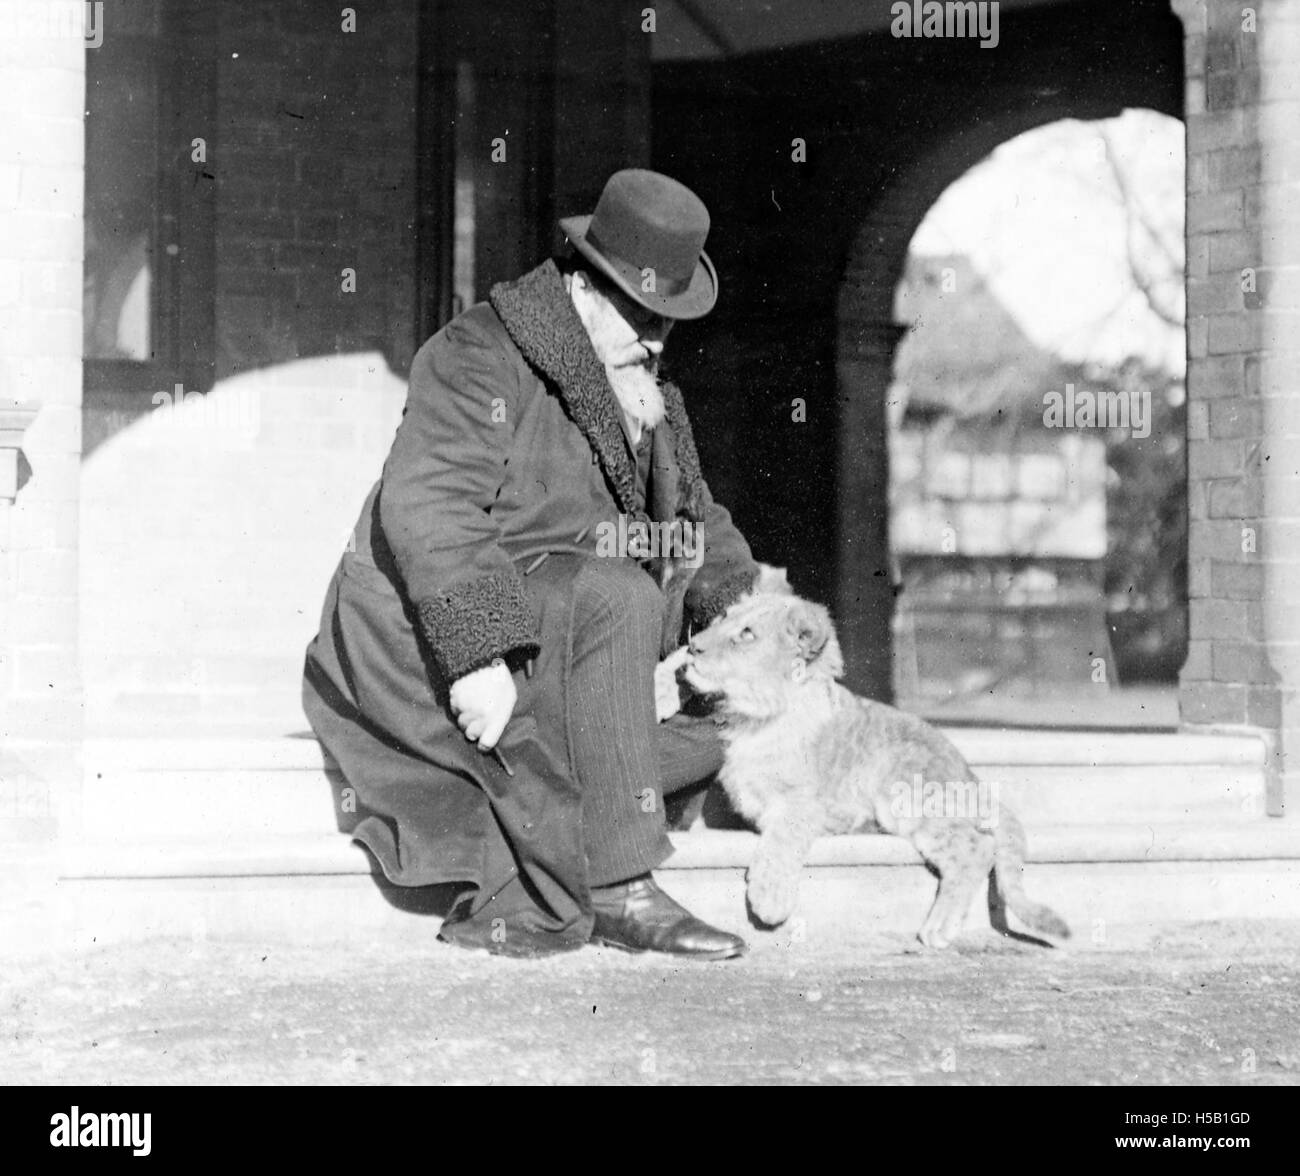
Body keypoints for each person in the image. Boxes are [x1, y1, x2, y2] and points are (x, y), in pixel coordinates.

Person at [302, 169, 761, 958]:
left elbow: (695, 522)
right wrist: (475, 656)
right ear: (583, 287)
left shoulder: (644, 389)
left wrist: (746, 618)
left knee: (740, 723)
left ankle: (585, 790)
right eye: (640, 313)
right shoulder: (476, 353)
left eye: (669, 321)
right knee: (617, 594)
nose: (655, 339)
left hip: (577, 633)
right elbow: (432, 508)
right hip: (430, 637)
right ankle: (620, 885)